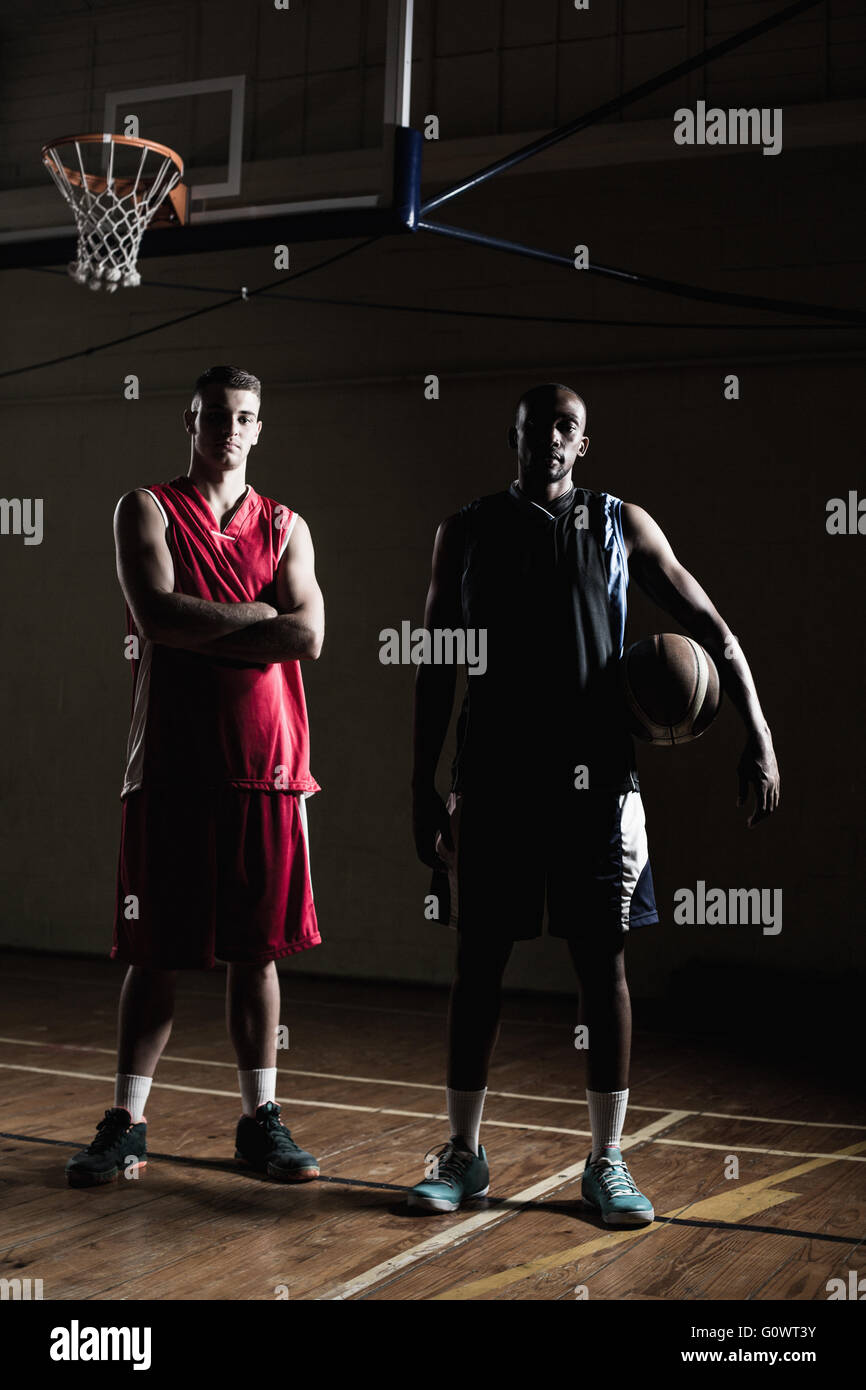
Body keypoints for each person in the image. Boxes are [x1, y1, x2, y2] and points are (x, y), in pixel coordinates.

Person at [409, 382, 780, 1225]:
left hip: (596, 786)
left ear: (584, 443)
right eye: (537, 425)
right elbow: (435, 666)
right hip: (494, 777)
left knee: (600, 965)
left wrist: (754, 726)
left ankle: (607, 1160)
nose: (550, 437)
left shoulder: (621, 523)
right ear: (514, 435)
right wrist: (420, 787)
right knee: (478, 966)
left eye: (566, 427)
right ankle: (463, 1154)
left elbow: (714, 628)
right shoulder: (464, 531)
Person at [66, 365, 325, 1188]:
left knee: (259, 955)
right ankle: (127, 1121)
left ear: (259, 428)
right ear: (190, 419)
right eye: (217, 415)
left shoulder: (286, 526)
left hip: (269, 767)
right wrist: (257, 617)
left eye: (245, 417)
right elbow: (157, 614)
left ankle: (260, 1120)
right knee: (155, 953)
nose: (230, 429)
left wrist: (216, 625)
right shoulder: (144, 507)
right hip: (171, 766)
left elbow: (309, 634)